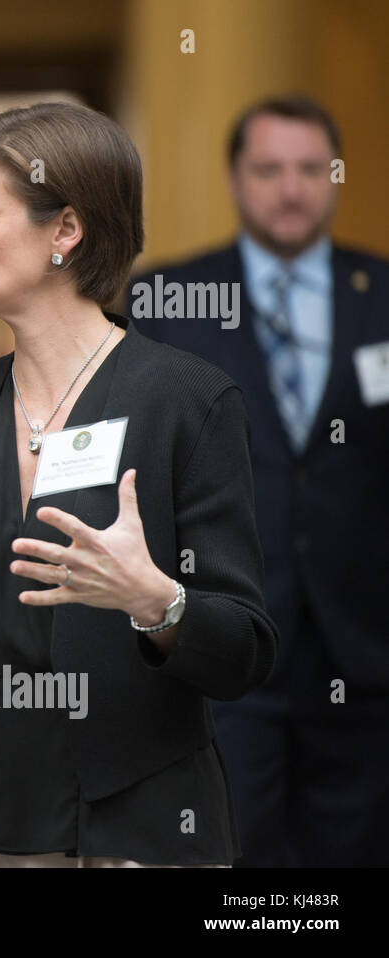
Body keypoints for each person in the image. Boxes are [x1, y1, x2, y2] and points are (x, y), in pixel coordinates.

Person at [0, 102, 277, 867]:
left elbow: (245, 653)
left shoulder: (188, 401)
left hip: (137, 828)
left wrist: (156, 600)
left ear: (65, 231)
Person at [129, 95, 389, 867]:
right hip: (226, 646)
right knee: (239, 868)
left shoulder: (384, 295)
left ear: (336, 178)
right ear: (236, 178)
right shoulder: (165, 301)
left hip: (367, 654)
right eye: (269, 169)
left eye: (311, 169)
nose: (290, 188)